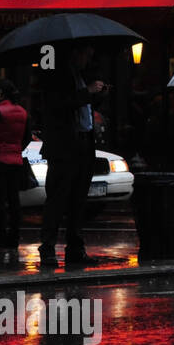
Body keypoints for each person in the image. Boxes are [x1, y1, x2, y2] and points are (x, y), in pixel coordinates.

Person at [38, 43, 103, 269]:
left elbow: (82, 108)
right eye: (87, 53)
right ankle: (47, 249)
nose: (89, 59)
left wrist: (96, 94)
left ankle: (75, 248)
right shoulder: (56, 76)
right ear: (76, 52)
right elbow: (59, 105)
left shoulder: (80, 76)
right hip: (64, 148)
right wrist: (87, 92)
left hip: (83, 144)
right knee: (57, 199)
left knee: (78, 200)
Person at [0, 79, 30, 267]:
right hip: (16, 160)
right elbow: (26, 138)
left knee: (0, 200)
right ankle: (14, 236)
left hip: (0, 160)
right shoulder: (23, 112)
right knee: (14, 200)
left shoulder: (0, 112)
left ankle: (1, 236)